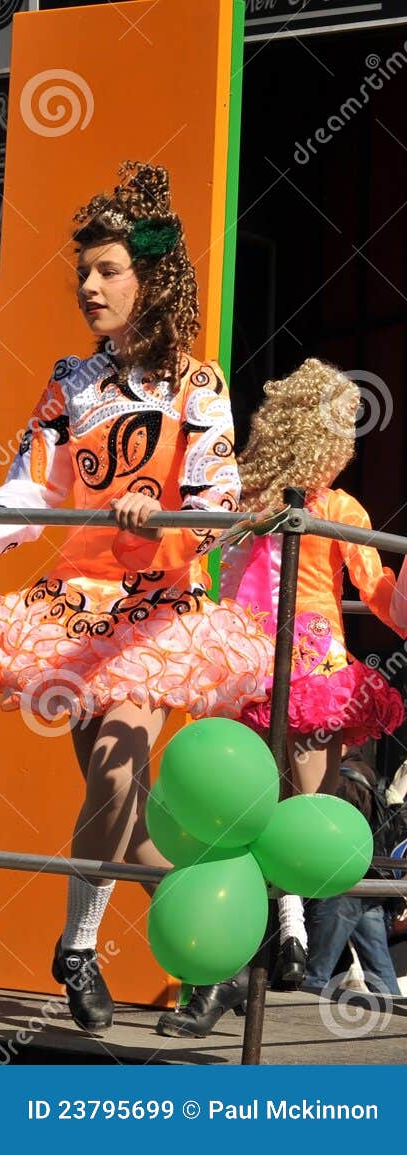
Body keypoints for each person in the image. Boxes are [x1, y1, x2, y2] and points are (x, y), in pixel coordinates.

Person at [0, 162, 274, 1036]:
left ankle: (76, 948)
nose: (87, 285)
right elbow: (33, 493)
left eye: (107, 269)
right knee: (119, 821)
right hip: (72, 611)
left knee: (121, 764)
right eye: (82, 271)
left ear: (151, 279)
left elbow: (216, 504)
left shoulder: (200, 386)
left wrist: (158, 513)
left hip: (159, 612)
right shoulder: (69, 382)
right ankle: (220, 956)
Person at [222, 358, 407, 990]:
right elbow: (379, 594)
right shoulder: (268, 503)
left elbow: (381, 591)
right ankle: (288, 933)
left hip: (255, 661)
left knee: (272, 803)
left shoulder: (255, 500)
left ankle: (290, 933)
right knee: (291, 802)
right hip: (287, 662)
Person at [303, 749, 403, 998]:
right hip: (371, 881)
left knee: (317, 971)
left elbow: (337, 833)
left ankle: (301, 1016)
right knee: (381, 970)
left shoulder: (342, 778)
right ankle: (395, 1007)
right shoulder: (366, 772)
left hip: (346, 883)